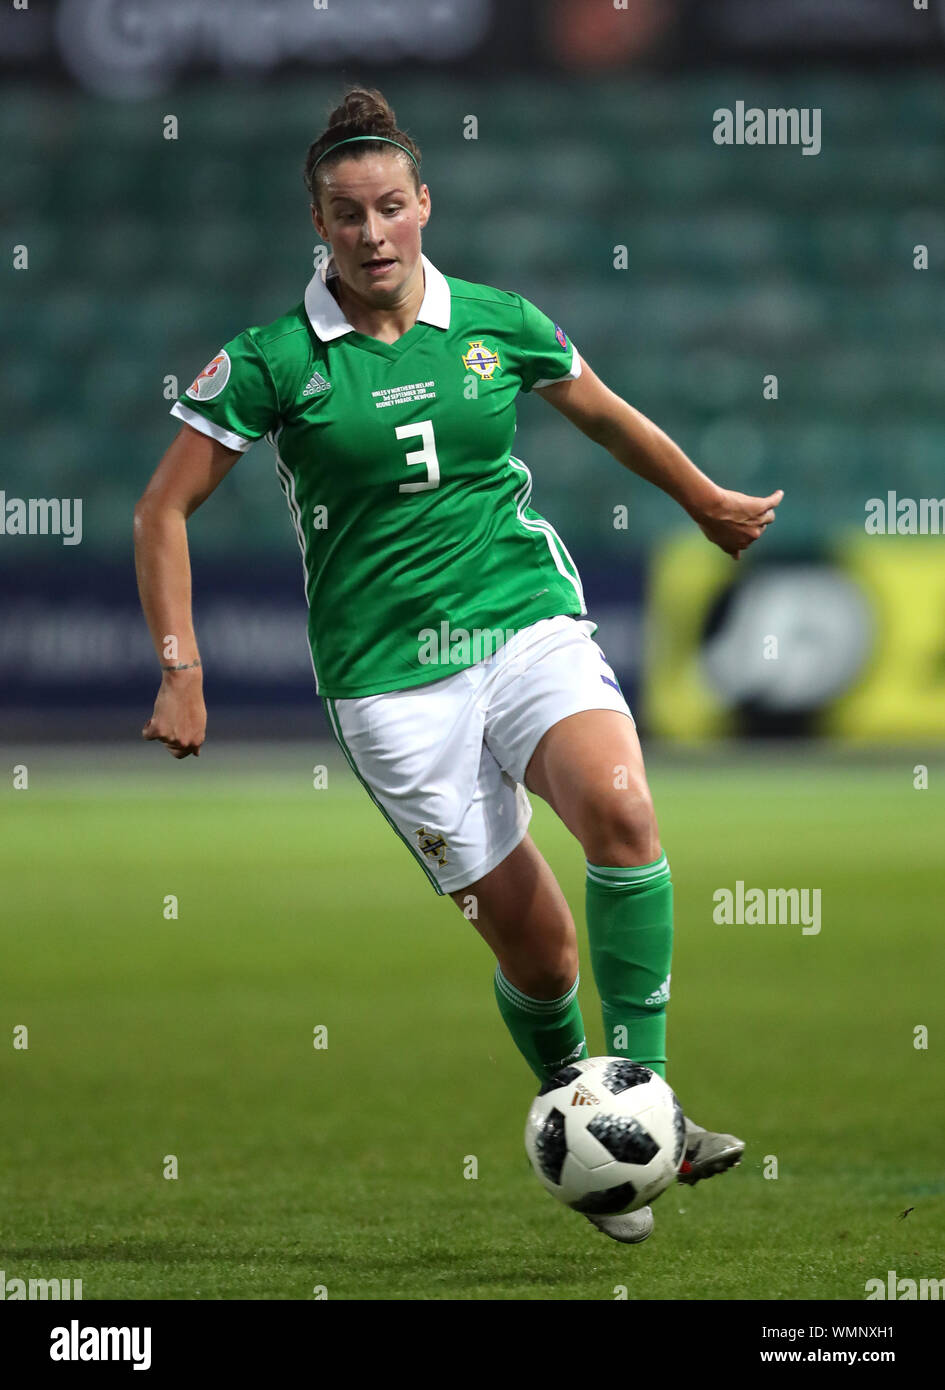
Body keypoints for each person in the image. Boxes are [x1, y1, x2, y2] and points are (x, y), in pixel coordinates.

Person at [134, 87, 783, 1245]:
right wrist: (181, 667)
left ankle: (650, 1108)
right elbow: (161, 511)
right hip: (390, 684)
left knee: (624, 812)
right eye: (348, 214)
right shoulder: (273, 361)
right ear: (319, 226)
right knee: (544, 953)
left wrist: (703, 500)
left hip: (522, 621)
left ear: (424, 204)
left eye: (390, 206)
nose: (373, 231)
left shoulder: (496, 321)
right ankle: (576, 1113)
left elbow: (603, 414)